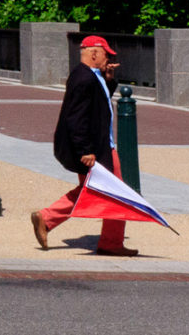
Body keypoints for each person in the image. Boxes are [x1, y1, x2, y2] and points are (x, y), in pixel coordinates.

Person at [33, 34, 136, 256]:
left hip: (99, 146)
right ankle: (110, 242)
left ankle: (49, 218)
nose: (108, 59)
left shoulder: (91, 75)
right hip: (95, 149)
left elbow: (97, 104)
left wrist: (109, 79)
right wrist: (85, 150)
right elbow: (75, 117)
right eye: (107, 55)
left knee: (98, 191)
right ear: (94, 53)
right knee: (116, 193)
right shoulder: (84, 78)